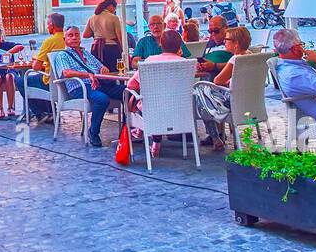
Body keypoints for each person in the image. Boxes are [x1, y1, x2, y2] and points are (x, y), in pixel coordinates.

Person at [125, 28, 194, 157]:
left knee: (143, 101)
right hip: (180, 111)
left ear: (161, 44)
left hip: (153, 111)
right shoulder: (187, 64)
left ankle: (145, 133)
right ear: (180, 46)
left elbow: (131, 85)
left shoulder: (150, 61)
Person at [56, 26, 124, 147]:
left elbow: (101, 67)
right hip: (79, 87)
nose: (74, 37)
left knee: (126, 91)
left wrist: (103, 68)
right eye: (70, 35)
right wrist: (88, 75)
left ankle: (127, 129)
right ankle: (93, 132)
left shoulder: (86, 53)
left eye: (76, 34)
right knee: (102, 99)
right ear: (64, 38)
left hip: (97, 85)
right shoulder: (62, 55)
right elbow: (66, 73)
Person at [193, 26, 253, 149]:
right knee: (204, 94)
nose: (224, 42)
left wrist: (225, 82)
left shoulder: (234, 59)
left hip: (230, 101)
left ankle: (215, 137)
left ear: (236, 44)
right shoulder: (250, 55)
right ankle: (216, 136)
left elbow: (217, 80)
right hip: (247, 98)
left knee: (201, 94)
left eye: (227, 40)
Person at [18, 12, 65, 120]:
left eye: (48, 24)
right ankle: (49, 110)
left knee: (21, 81)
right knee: (34, 79)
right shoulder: (68, 38)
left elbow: (36, 67)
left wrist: (35, 60)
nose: (47, 26)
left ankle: (40, 112)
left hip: (50, 81)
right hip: (65, 80)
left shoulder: (49, 41)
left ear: (52, 25)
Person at [83, 0, 125, 72]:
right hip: (111, 48)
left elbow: (85, 35)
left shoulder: (92, 18)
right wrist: (124, 50)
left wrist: (97, 34)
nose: (114, 11)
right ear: (111, 6)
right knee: (114, 71)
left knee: (100, 71)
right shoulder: (114, 18)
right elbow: (120, 36)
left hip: (96, 48)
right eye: (114, 8)